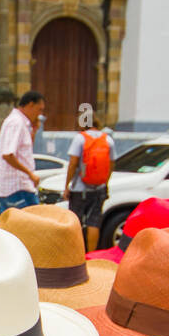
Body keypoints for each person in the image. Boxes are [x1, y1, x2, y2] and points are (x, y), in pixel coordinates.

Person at [63, 108, 115, 252]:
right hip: (99, 188)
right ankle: (91, 256)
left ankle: (76, 253)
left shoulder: (80, 138)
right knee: (94, 222)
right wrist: (104, 182)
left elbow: (73, 164)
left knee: (76, 222)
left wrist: (67, 185)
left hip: (80, 189)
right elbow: (111, 165)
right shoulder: (108, 139)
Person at [0, 89, 45, 214]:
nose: (40, 114)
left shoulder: (20, 123)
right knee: (30, 226)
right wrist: (29, 173)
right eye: (39, 109)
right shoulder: (16, 122)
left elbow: (24, 150)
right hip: (16, 187)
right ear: (30, 105)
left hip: (16, 187)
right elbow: (8, 154)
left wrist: (34, 130)